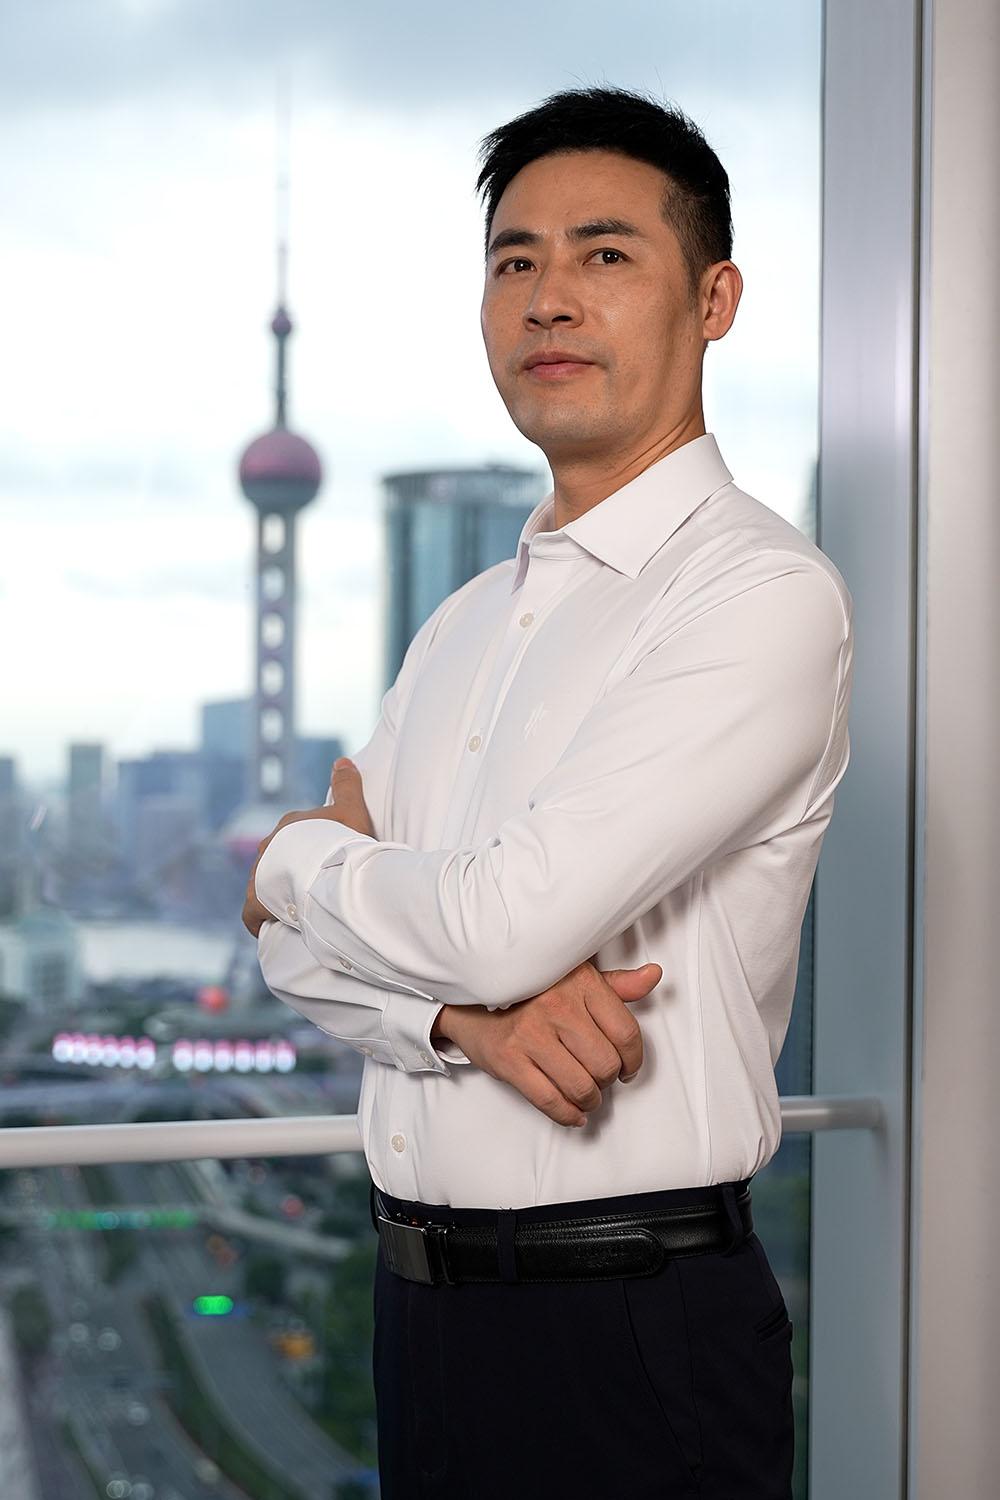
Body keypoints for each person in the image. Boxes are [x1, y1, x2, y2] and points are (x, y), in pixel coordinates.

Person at [244, 84, 854, 1500]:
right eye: (513, 260)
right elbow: (299, 962)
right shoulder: (460, 626)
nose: (548, 298)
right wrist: (460, 1020)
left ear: (715, 300)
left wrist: (293, 861)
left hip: (631, 1326)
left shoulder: (756, 595)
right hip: (419, 1314)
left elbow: (492, 920)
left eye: (605, 254)